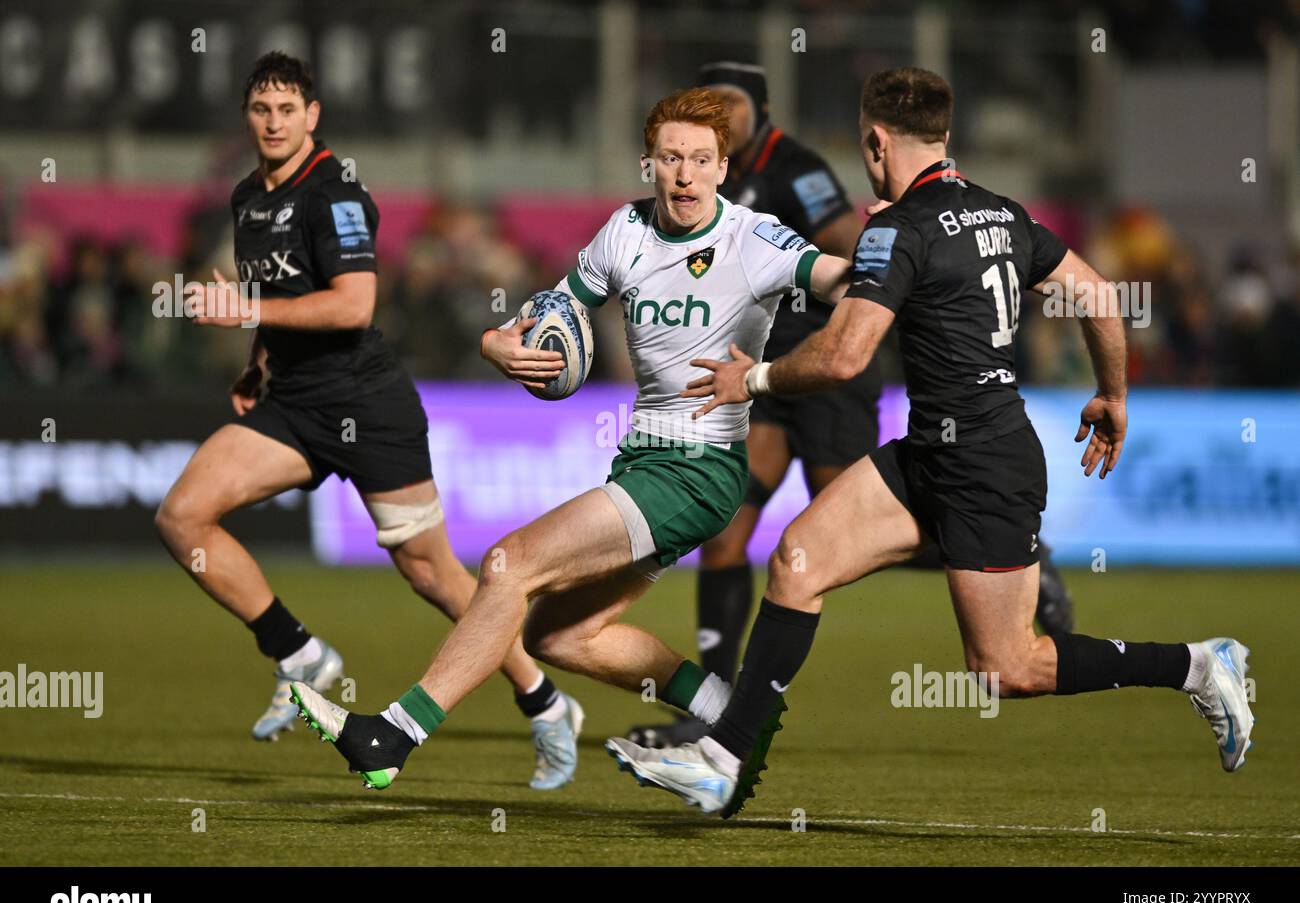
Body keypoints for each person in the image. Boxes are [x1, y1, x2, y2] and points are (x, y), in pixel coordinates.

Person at [605, 67, 1254, 817]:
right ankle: (723, 759)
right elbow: (1102, 297)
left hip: (983, 464)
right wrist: (1113, 395)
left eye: (865, 143)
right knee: (797, 559)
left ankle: (1201, 666)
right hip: (931, 450)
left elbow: (846, 355)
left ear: (874, 141)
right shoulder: (1002, 213)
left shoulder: (897, 227)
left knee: (1005, 670)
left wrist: (754, 380)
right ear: (945, 138)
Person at [287, 87, 855, 792]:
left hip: (700, 466)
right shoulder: (625, 232)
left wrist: (896, 258)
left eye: (701, 160)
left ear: (722, 167)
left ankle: (390, 737)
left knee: (506, 564)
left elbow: (841, 277)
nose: (684, 173)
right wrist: (499, 344)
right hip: (645, 458)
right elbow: (549, 311)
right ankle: (733, 713)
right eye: (671, 158)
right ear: (648, 163)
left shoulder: (753, 238)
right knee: (557, 636)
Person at [156, 51, 582, 790]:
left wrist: (246, 311)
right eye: (262, 109)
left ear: (312, 117)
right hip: (292, 404)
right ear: (248, 117)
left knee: (436, 576)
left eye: (288, 109)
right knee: (182, 515)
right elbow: (280, 294)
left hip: (366, 405)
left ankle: (547, 704)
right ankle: (298, 654)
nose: (274, 121)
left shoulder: (337, 194)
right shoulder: (245, 199)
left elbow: (354, 306)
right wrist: (258, 362)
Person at [626, 62, 1074, 750]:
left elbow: (842, 245)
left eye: (733, 103)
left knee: (847, 530)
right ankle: (719, 710)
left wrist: (878, 246)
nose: (723, 115)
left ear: (760, 108)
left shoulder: (797, 168)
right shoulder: (709, 179)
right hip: (772, 368)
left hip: (824, 370)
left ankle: (1014, 560)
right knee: (739, 539)